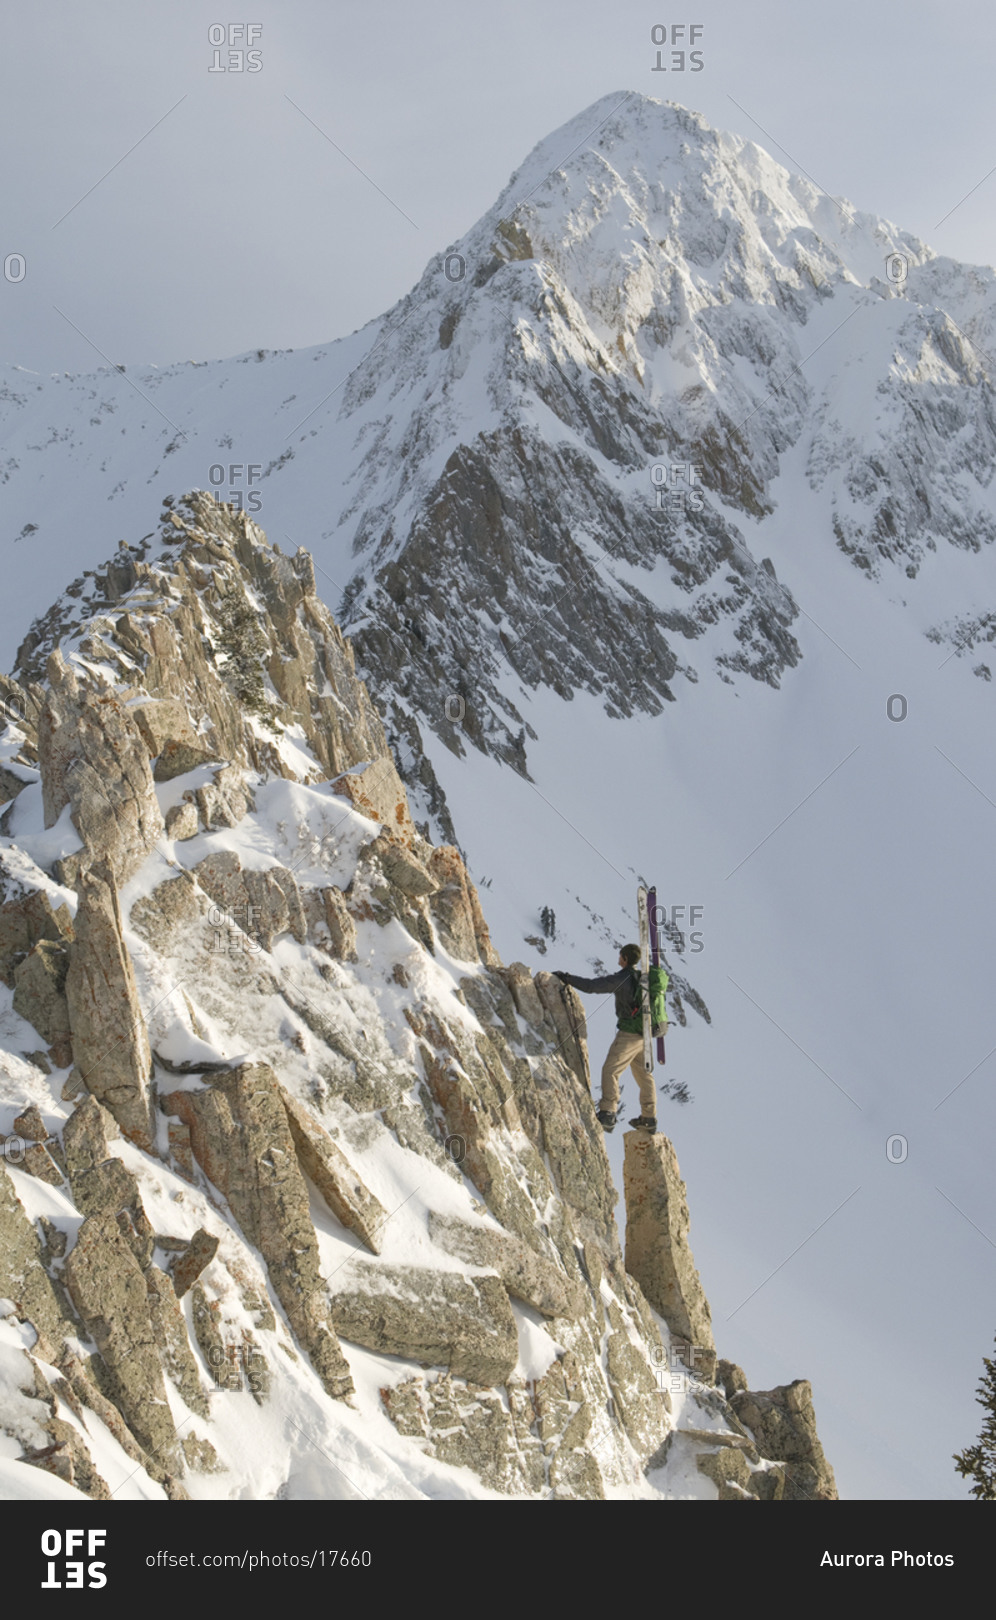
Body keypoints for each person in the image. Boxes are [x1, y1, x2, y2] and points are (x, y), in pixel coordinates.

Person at [553, 946, 657, 1133]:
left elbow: (592, 986)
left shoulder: (622, 979)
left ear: (625, 958)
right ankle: (649, 1117)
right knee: (644, 1075)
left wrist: (567, 978)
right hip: (645, 1034)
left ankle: (608, 1112)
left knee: (610, 1070)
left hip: (629, 1035)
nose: (619, 957)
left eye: (620, 955)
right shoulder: (641, 978)